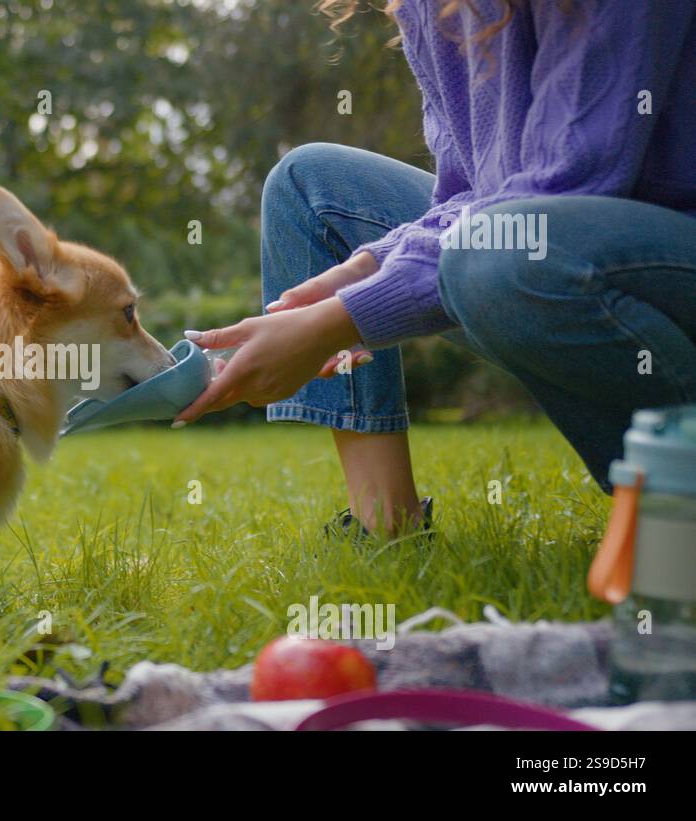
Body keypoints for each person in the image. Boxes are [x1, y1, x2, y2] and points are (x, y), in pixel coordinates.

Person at [174, 0, 696, 536]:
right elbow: (468, 192)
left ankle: (676, 504)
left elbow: (567, 180)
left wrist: (339, 319)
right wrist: (356, 273)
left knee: (497, 254)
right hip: (537, 238)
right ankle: (386, 530)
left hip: (658, 239)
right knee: (307, 183)